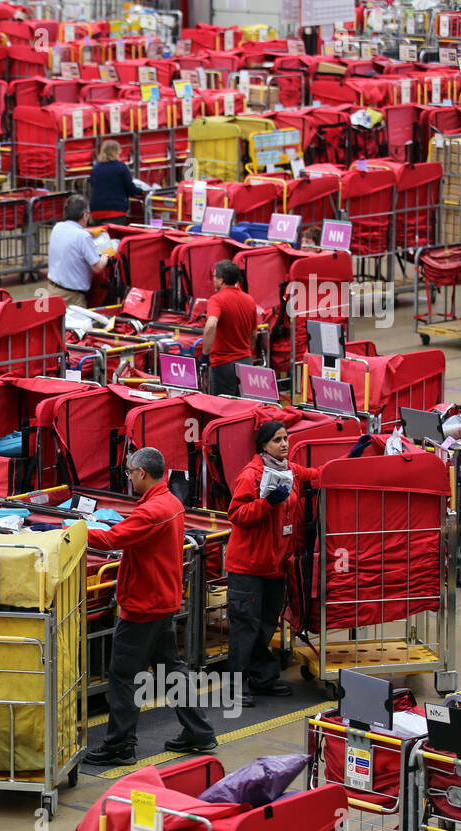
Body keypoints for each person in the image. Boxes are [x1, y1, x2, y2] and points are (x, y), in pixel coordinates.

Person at [81, 447, 218, 765]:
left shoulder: (151, 510)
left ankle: (120, 744)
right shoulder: (171, 503)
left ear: (142, 473)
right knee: (173, 670)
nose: (128, 478)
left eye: (130, 472)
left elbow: (112, 540)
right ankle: (199, 732)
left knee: (123, 676)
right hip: (163, 602)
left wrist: (72, 532)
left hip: (142, 607)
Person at [226, 421, 320, 707]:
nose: (284, 444)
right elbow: (237, 514)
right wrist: (266, 503)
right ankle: (235, 687)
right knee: (245, 627)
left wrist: (349, 463)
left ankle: (262, 678)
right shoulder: (251, 476)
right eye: (277, 440)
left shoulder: (288, 469)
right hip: (248, 569)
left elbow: (315, 475)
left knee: (266, 624)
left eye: (286, 439)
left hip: (275, 567)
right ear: (263, 445)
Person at [201, 259, 257, 397]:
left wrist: (205, 354)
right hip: (246, 362)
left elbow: (211, 325)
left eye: (214, 276)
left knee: (223, 410)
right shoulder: (249, 300)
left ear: (221, 280)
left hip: (223, 365)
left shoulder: (216, 299)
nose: (213, 280)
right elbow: (254, 334)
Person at [46, 194, 111, 309]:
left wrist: (89, 232)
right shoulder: (83, 237)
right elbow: (97, 267)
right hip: (72, 297)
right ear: (85, 215)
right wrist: (106, 253)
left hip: (52, 290)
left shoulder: (58, 227)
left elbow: (72, 233)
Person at [89, 140, 144, 224]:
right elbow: (130, 189)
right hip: (115, 210)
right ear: (117, 152)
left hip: (96, 210)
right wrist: (142, 191)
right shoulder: (121, 167)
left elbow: (93, 184)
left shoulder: (96, 168)